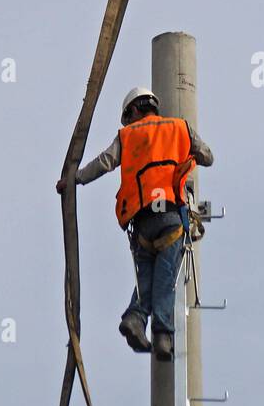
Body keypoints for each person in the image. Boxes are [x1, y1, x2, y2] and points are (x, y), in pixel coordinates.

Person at [58, 87, 213, 361]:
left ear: (133, 110)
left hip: (142, 223)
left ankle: (136, 318)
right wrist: (193, 156)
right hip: (169, 216)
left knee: (147, 280)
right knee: (166, 279)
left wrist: (74, 179)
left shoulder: (127, 136)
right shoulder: (180, 128)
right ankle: (163, 336)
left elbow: (105, 162)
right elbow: (207, 156)